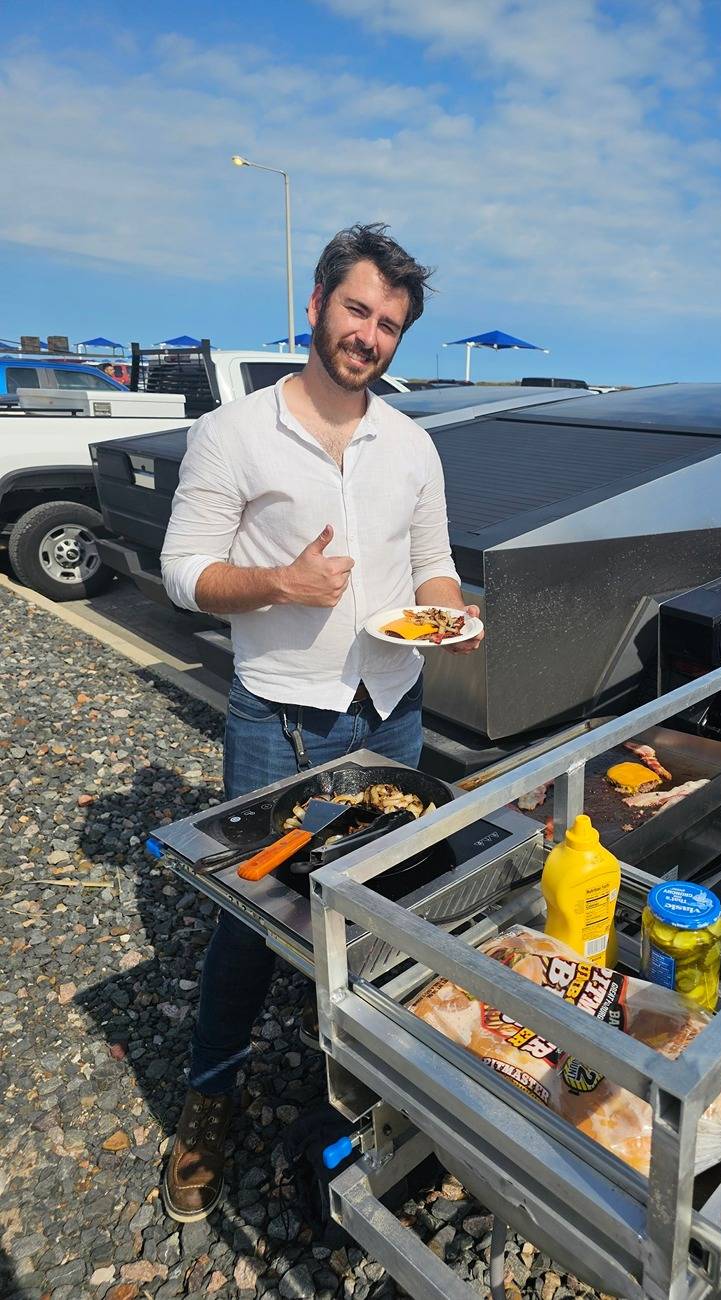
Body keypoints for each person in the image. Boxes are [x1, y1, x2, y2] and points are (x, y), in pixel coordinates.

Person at [158, 223, 483, 1222]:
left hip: (393, 711)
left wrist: (449, 614)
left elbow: (433, 565)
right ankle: (212, 1093)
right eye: (356, 309)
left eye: (388, 324)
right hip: (280, 716)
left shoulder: (412, 443)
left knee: (385, 901)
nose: (368, 335)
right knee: (255, 915)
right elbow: (182, 572)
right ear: (315, 304)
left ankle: (370, 1084)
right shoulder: (235, 432)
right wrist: (279, 583)